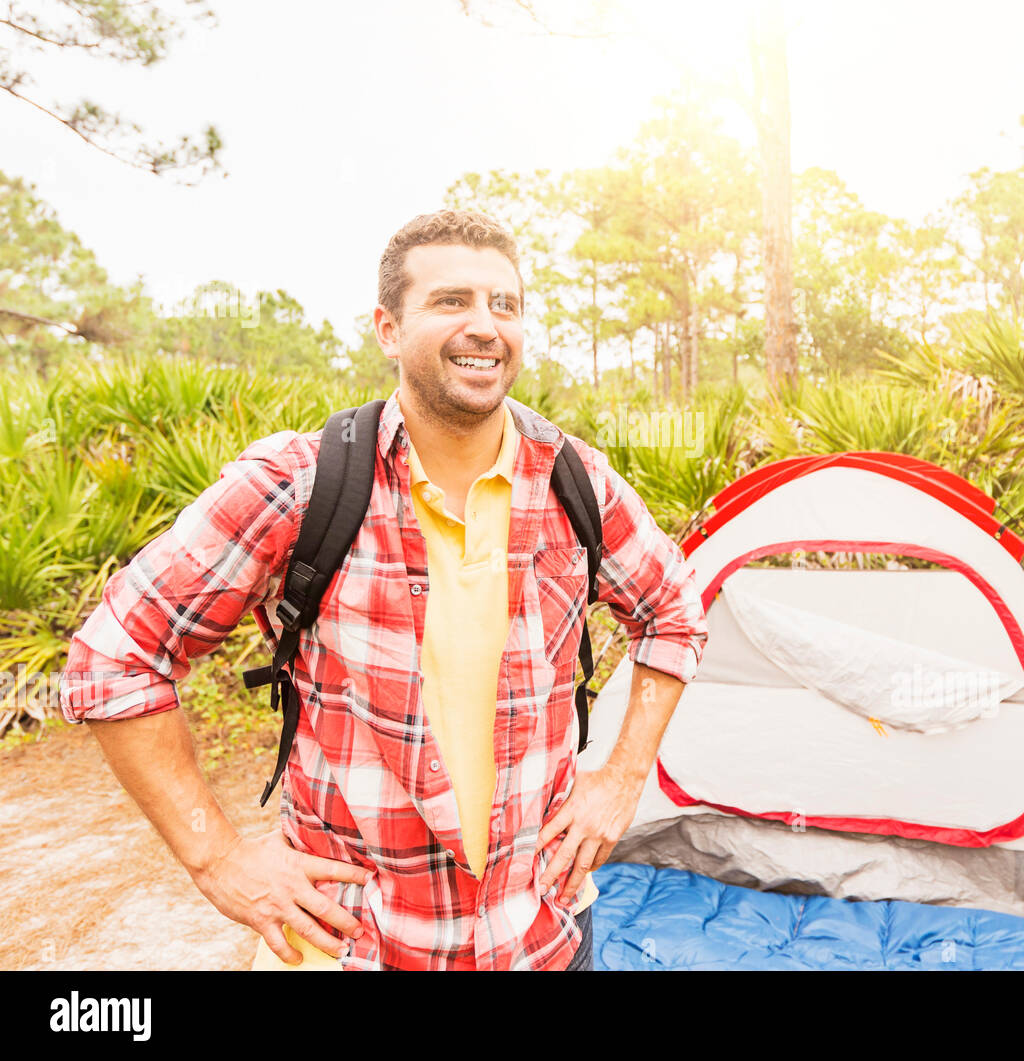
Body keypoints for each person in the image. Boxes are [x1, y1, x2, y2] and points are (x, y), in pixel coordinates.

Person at [59, 209, 709, 971]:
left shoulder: (577, 481)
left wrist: (622, 780)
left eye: (505, 304)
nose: (484, 325)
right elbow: (115, 658)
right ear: (388, 329)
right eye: (450, 301)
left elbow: (674, 608)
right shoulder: (300, 486)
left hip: (544, 937)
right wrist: (219, 860)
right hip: (358, 945)